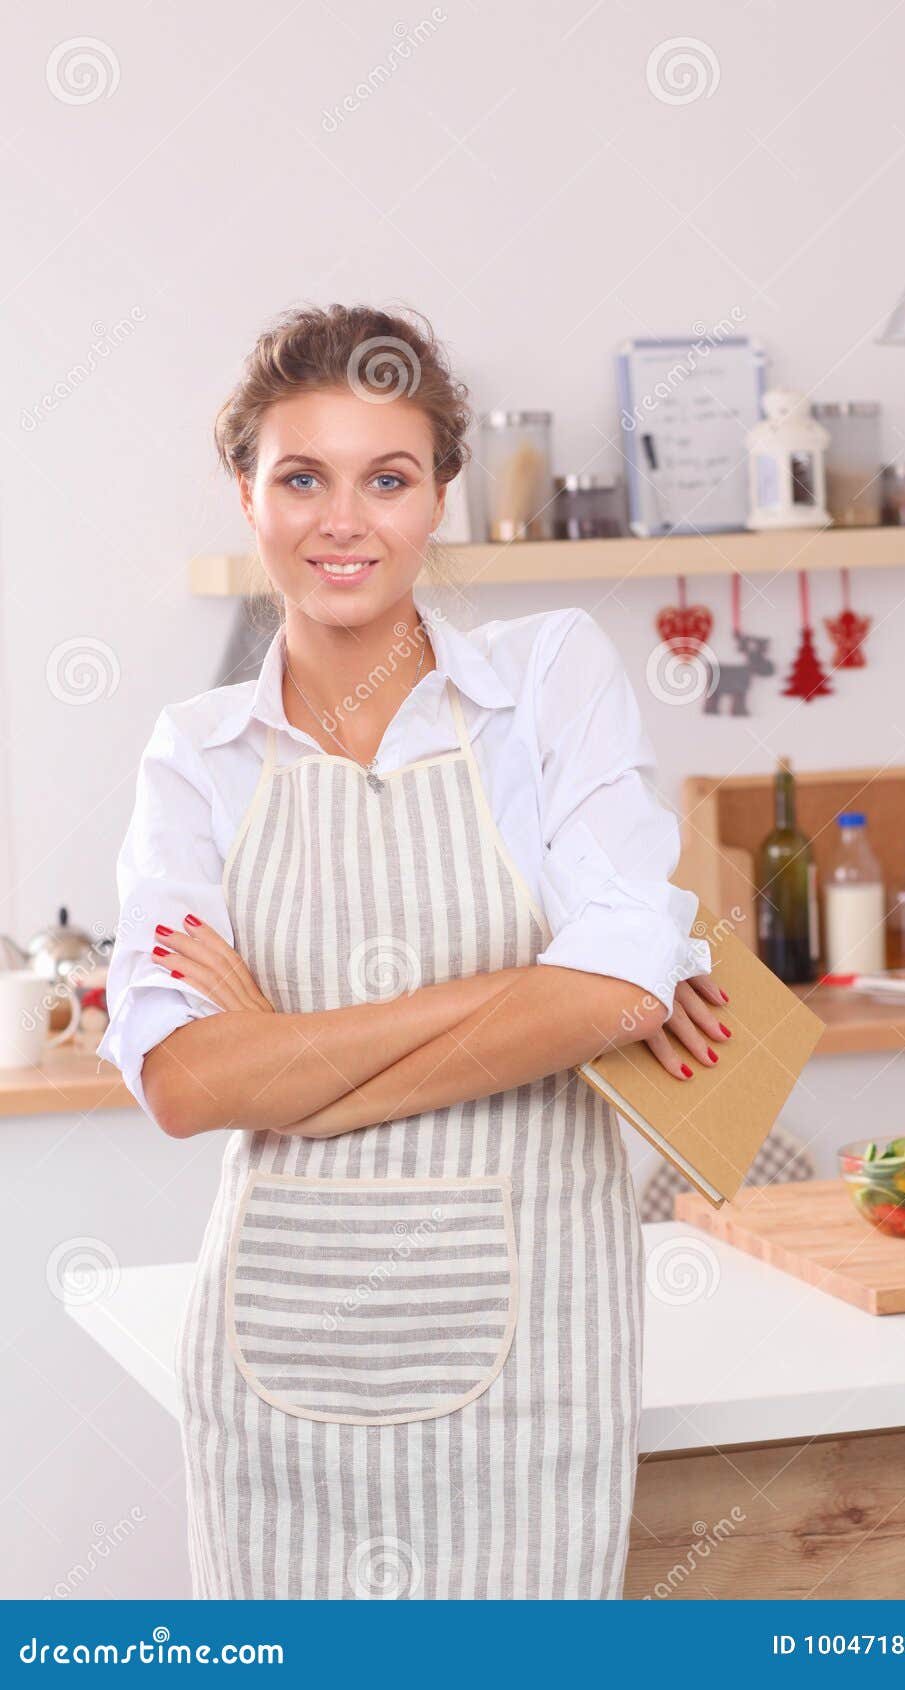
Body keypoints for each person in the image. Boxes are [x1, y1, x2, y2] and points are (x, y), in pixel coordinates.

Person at [97, 302, 729, 1600]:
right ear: (247, 494)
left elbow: (619, 985)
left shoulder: (546, 680)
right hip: (276, 1371)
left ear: (440, 494)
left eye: (387, 478)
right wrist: (532, 989)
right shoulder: (198, 754)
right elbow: (184, 1084)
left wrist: (297, 1070)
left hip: (534, 1374)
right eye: (302, 477)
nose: (345, 520)